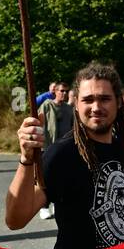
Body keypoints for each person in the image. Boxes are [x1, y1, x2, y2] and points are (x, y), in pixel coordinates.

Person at [6, 63, 124, 249]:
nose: (96, 107)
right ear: (76, 104)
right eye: (88, 100)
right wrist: (26, 159)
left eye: (104, 99)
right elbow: (15, 220)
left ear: (118, 102)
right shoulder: (62, 154)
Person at [38, 80, 73, 220]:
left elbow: (73, 127)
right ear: (55, 92)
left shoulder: (69, 109)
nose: (64, 93)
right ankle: (44, 206)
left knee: (63, 178)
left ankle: (57, 205)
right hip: (48, 147)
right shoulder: (46, 106)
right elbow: (39, 123)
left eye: (66, 91)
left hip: (64, 148)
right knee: (46, 179)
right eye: (61, 91)